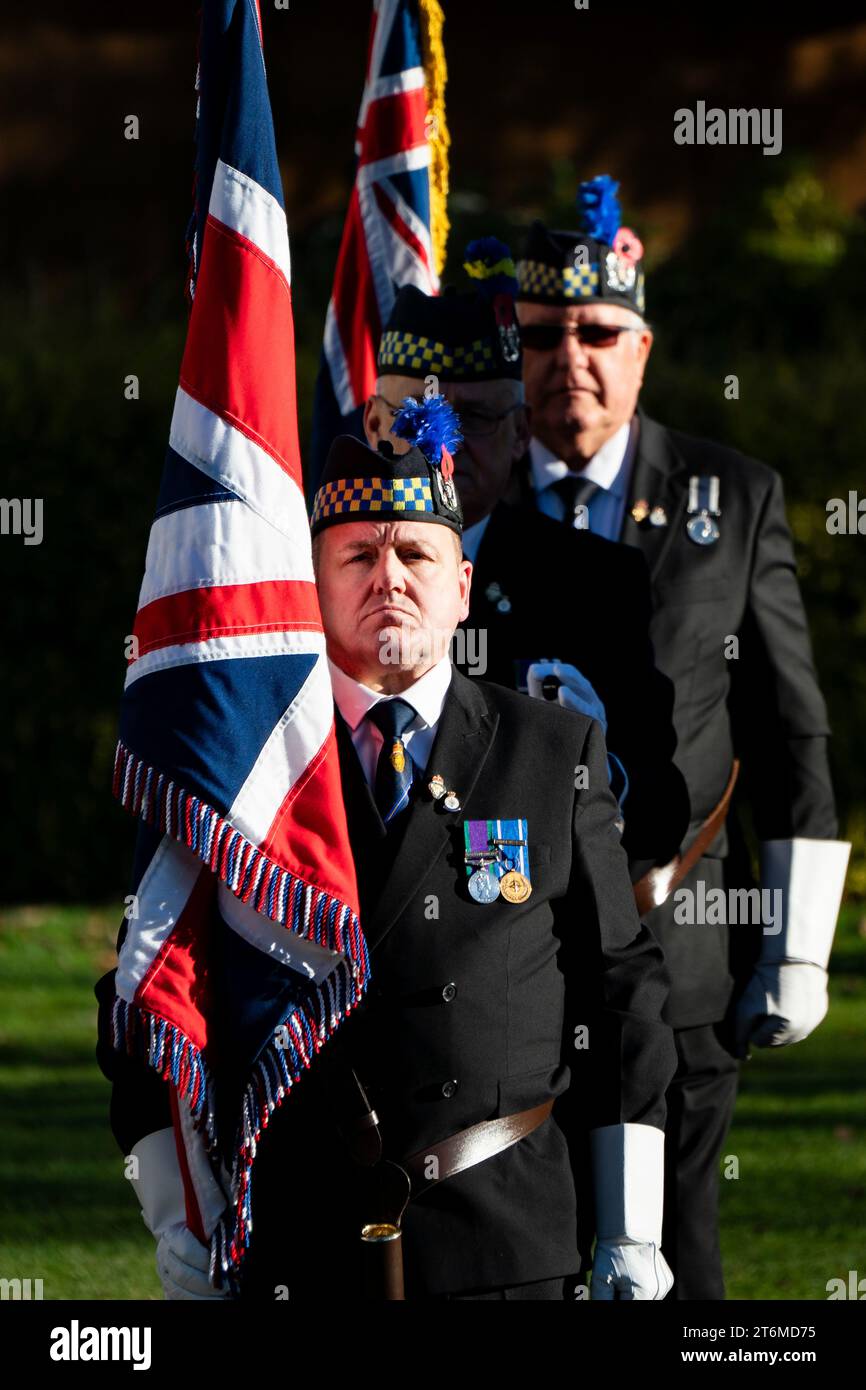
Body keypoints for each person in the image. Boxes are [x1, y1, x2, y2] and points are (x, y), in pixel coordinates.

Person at [96, 397, 678, 1301]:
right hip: (300, 1245)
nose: (389, 579)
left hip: (511, 1246)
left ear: (461, 581)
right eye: (358, 556)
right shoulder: (248, 773)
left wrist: (633, 1226)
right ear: (313, 581)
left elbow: (623, 994)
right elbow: (148, 994)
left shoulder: (551, 750)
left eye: (416, 555)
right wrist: (180, 1217)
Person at [514, 174, 851, 1300]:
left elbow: (788, 725)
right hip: (514, 954)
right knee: (530, 1255)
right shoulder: (459, 518)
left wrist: (795, 944)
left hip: (685, 945)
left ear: (642, 347)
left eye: (598, 331)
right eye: (545, 336)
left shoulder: (732, 496)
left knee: (677, 1260)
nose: (573, 356)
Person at [362, 238, 690, 877]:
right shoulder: (306, 578)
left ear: (519, 436)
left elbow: (661, 811)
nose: (442, 450)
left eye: (475, 420)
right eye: (417, 419)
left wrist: (602, 768)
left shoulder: (593, 584)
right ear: (374, 424)